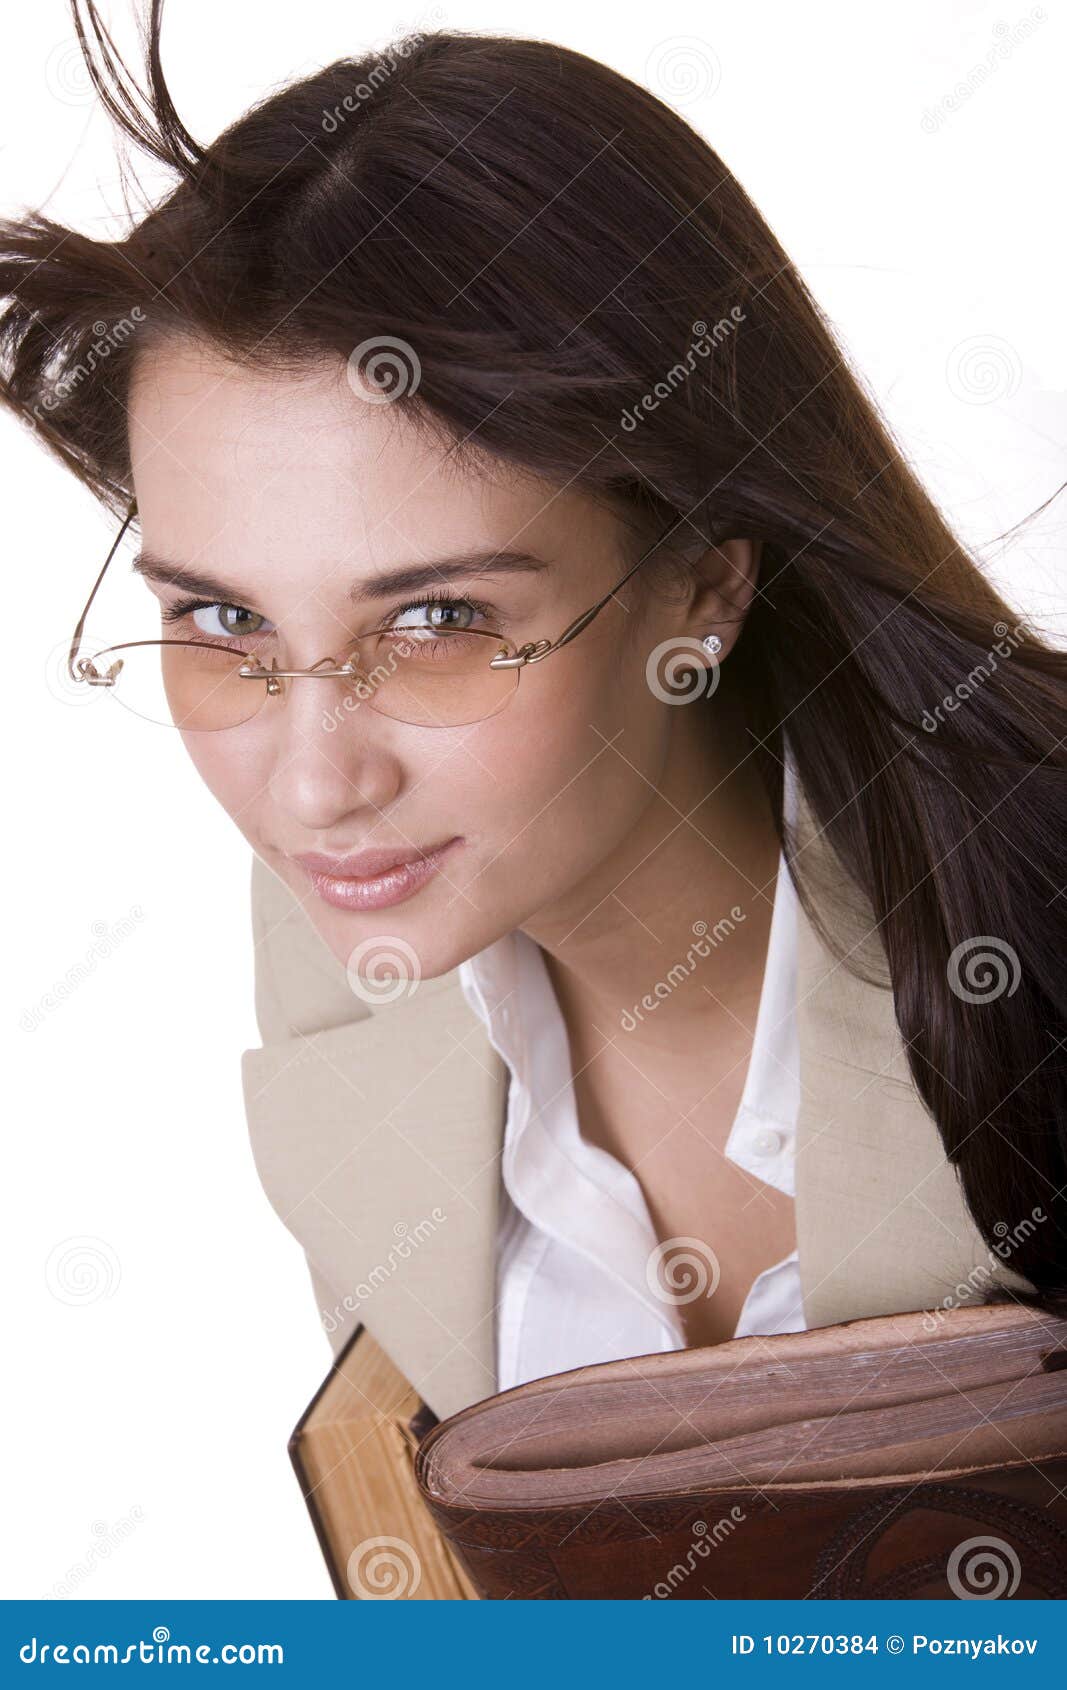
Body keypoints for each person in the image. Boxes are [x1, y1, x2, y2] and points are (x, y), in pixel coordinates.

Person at [3, 7, 1064, 1431]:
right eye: (226, 621)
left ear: (703, 580)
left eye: (436, 624)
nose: (314, 786)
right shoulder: (359, 970)